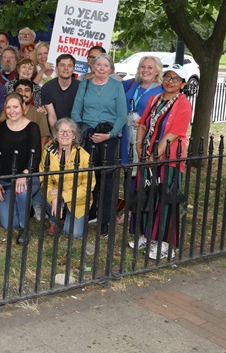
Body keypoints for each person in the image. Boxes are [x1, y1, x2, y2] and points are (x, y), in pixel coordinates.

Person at [132, 64, 191, 260]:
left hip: (168, 160)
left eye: (176, 79)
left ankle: (165, 243)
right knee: (147, 196)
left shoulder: (183, 104)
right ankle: (145, 236)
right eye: (167, 77)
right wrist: (140, 147)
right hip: (147, 157)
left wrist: (154, 156)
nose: (170, 81)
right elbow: (142, 124)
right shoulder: (154, 99)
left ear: (182, 84)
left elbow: (172, 134)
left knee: (165, 199)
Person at [70, 53, 126, 235]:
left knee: (107, 180)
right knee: (86, 177)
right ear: (93, 66)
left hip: (109, 136)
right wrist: (86, 130)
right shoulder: (84, 85)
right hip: (88, 135)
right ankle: (85, 215)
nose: (101, 68)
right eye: (98, 64)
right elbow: (75, 113)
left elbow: (122, 116)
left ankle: (105, 220)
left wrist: (109, 134)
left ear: (111, 69)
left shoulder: (117, 86)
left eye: (105, 65)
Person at [0, 93, 41, 242]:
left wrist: (24, 174)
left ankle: (24, 228)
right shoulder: (0, 127)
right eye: (8, 107)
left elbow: (35, 154)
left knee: (21, 190)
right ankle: (27, 209)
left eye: (15, 107)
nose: (12, 111)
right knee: (8, 224)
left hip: (26, 179)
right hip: (6, 181)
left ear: (23, 107)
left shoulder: (32, 127)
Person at [41, 118, 90, 238]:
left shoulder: (83, 156)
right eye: (61, 131)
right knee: (49, 194)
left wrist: (62, 194)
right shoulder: (48, 151)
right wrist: (54, 198)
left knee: (73, 233)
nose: (65, 135)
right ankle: (54, 219)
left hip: (77, 198)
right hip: (54, 193)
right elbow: (44, 179)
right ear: (56, 135)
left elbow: (87, 186)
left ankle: (68, 215)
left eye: (69, 132)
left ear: (74, 136)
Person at [122, 55, 164, 164]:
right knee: (128, 168)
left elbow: (165, 115)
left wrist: (145, 121)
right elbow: (113, 82)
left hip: (145, 135)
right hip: (127, 132)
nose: (145, 70)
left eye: (150, 68)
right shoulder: (133, 84)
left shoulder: (162, 90)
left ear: (157, 71)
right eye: (142, 66)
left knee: (141, 170)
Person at [42, 54, 81, 131]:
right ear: (56, 68)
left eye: (69, 66)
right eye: (62, 65)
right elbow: (52, 116)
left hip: (77, 128)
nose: (66, 68)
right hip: (57, 128)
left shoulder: (81, 87)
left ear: (73, 69)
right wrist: (56, 135)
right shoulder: (47, 87)